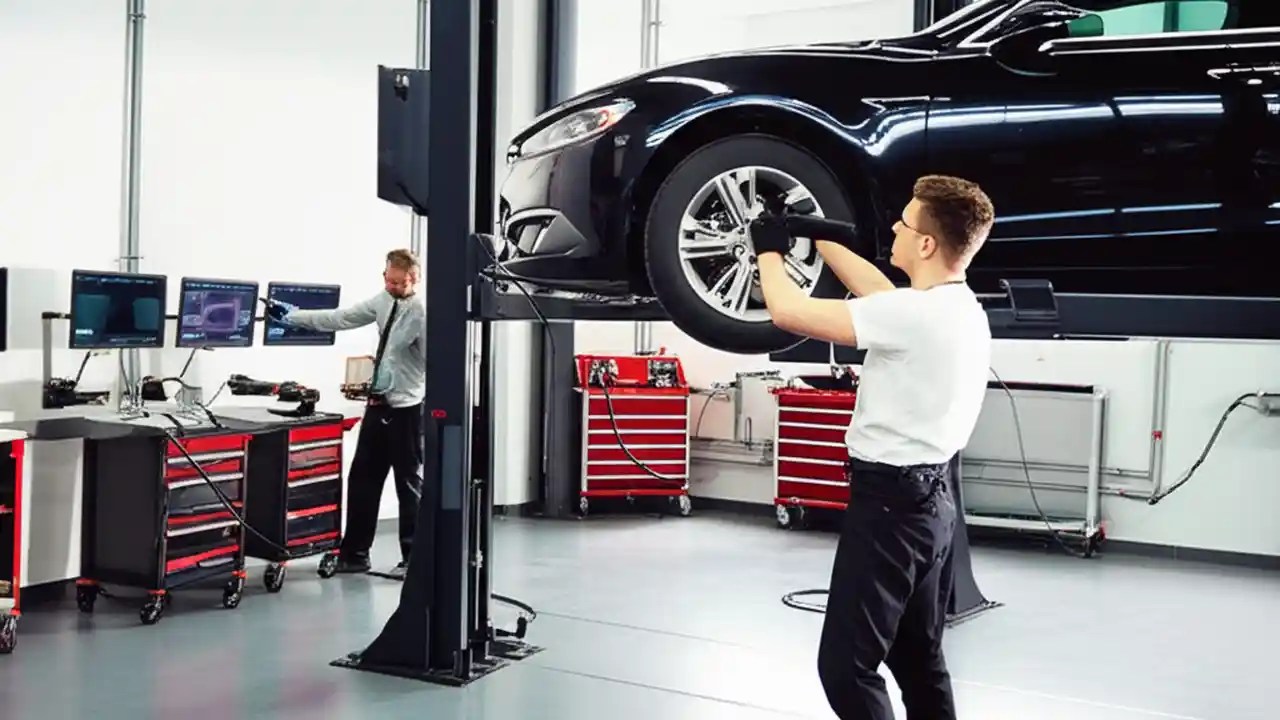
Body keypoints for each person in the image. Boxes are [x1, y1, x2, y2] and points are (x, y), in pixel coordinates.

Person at [748, 175, 995, 720]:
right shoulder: (958, 309)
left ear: (927, 244)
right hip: (933, 508)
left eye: (905, 224)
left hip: (889, 508)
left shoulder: (916, 315)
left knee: (845, 669)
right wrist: (820, 237)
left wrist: (766, 245)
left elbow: (788, 312)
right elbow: (879, 296)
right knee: (918, 658)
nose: (894, 228)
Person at [266, 248, 426, 576]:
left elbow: (429, 360)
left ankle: (414, 561)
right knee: (363, 479)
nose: (392, 286)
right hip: (378, 405)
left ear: (414, 280)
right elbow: (340, 318)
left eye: (399, 282)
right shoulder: (382, 300)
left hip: (407, 409)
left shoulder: (422, 313)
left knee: (408, 485)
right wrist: (292, 316)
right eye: (388, 279)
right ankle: (354, 555)